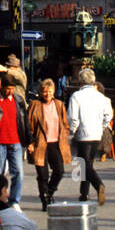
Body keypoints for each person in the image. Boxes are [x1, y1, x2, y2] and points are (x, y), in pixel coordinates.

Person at [67, 68, 113, 204]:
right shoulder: (102, 97)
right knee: (88, 162)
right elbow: (108, 115)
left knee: (84, 164)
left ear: (81, 81)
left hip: (83, 133)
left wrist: (72, 131)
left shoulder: (76, 96)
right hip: (96, 133)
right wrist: (102, 126)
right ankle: (84, 193)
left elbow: (73, 117)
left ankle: (98, 184)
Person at [0, 73, 30, 206]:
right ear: (2, 87)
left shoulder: (18, 100)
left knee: (18, 174)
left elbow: (25, 122)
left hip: (15, 142)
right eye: (8, 88)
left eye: (12, 88)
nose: (10, 91)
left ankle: (14, 201)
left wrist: (29, 141)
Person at [26, 78, 72, 211]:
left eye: (50, 91)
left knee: (59, 171)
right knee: (43, 174)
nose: (47, 94)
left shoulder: (59, 104)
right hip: (40, 143)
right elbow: (28, 125)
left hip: (56, 143)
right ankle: (44, 198)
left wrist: (65, 133)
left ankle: (49, 192)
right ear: (40, 92)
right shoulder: (35, 105)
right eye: (45, 92)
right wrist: (30, 142)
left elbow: (64, 123)